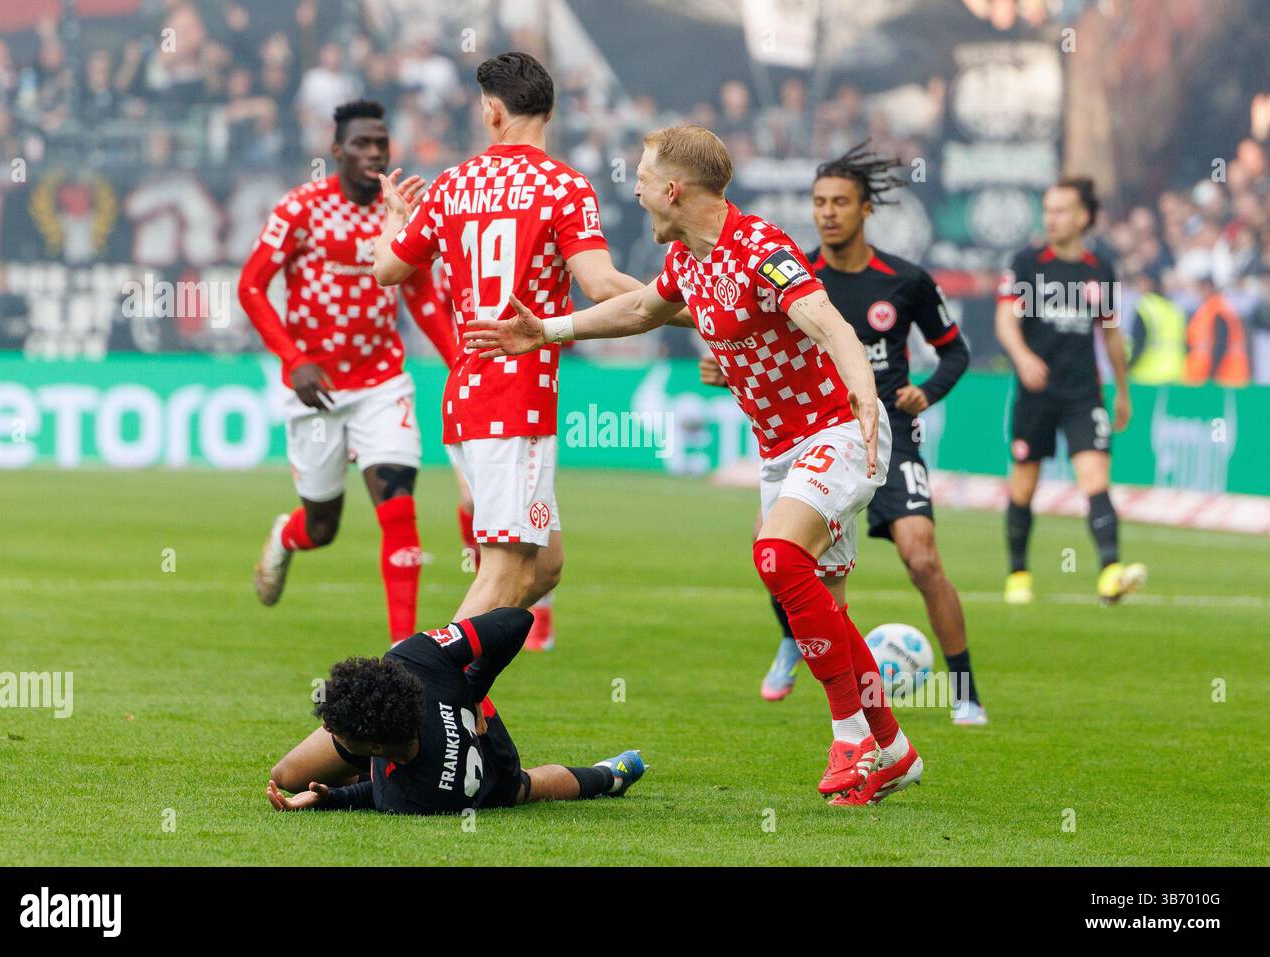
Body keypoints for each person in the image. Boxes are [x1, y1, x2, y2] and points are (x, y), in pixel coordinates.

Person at [464, 125, 920, 807]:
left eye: (644, 178)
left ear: (674, 190)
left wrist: (861, 390)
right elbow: (643, 308)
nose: (638, 189)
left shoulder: (761, 248)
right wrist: (548, 330)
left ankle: (852, 737)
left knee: (775, 556)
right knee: (819, 605)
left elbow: (827, 320)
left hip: (837, 431)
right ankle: (892, 749)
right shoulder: (689, 259)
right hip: (780, 450)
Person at [701, 143, 986, 725]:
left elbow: (955, 351)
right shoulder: (792, 272)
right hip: (818, 434)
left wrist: (926, 393)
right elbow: (759, 349)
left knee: (922, 557)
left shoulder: (905, 281)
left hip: (888, 433)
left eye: (840, 202)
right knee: (771, 544)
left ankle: (964, 689)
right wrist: (721, 368)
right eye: (818, 203)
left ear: (865, 211)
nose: (827, 213)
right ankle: (793, 644)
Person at [371, 52, 648, 647]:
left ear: (493, 112)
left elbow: (388, 269)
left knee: (544, 566)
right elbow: (600, 286)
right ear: (548, 111)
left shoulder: (451, 185)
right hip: (514, 398)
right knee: (502, 573)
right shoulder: (565, 186)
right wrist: (678, 301)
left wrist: (396, 218)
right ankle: (409, 686)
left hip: (468, 397)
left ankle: (443, 681)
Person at [240, 100, 460, 641]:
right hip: (315, 389)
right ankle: (285, 537)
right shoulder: (301, 209)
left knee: (399, 510)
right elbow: (250, 287)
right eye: (361, 144)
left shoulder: (398, 214)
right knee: (322, 526)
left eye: (381, 144)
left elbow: (422, 296)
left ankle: (403, 659)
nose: (373, 153)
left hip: (383, 379)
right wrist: (294, 361)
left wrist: (461, 363)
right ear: (337, 151)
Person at [266, 608, 646, 814]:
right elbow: (519, 620)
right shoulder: (411, 659)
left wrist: (330, 798)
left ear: (377, 750)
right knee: (522, 788)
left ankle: (608, 776)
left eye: (340, 730)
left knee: (523, 789)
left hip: (485, 766)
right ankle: (612, 774)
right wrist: (474, 692)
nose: (329, 726)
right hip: (479, 732)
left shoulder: (409, 799)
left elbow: (372, 795)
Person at [995, 177, 1147, 605]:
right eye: (1047, 210)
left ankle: (1110, 573)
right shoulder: (1026, 263)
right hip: (1036, 394)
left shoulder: (1099, 268)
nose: (1051, 218)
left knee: (1096, 479)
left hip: (1084, 394)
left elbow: (1111, 334)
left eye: (1060, 210)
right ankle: (1018, 575)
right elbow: (1005, 319)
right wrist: (1022, 357)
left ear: (1083, 217)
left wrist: (1123, 390)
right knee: (1024, 484)